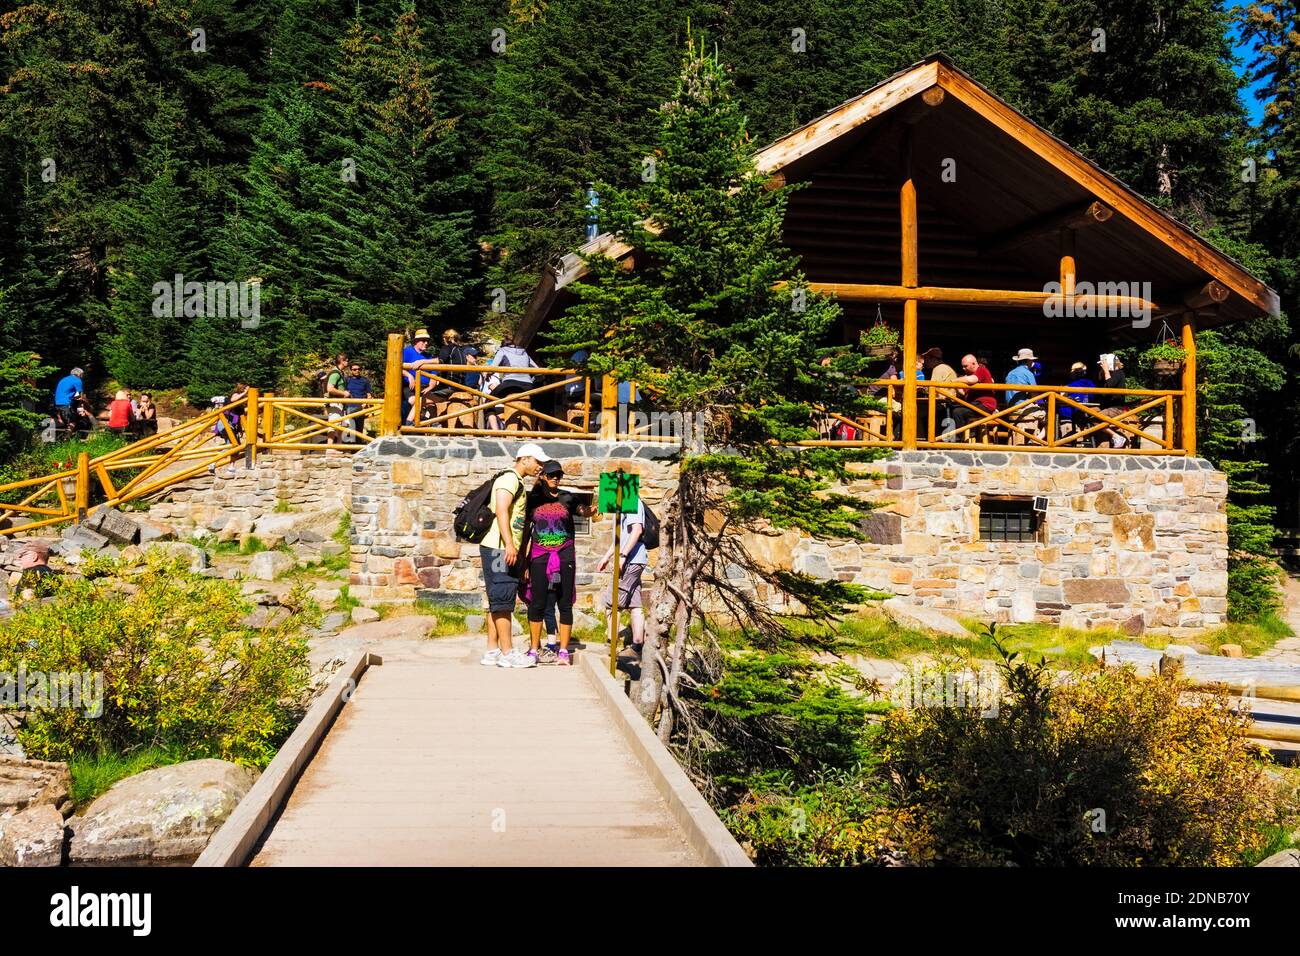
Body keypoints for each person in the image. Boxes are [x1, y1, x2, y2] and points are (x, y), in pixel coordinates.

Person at [479, 442, 549, 669]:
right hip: (499, 548)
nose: (540, 466)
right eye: (537, 461)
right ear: (525, 459)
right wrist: (510, 544)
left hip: (501, 547)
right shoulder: (509, 479)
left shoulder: (515, 481)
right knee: (503, 599)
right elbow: (501, 509)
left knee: (497, 598)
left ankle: (492, 650)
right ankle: (508, 653)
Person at [522, 459, 597, 666]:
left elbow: (583, 510)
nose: (556, 478)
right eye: (552, 474)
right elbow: (525, 532)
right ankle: (534, 650)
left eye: (559, 475)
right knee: (537, 603)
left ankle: (563, 651)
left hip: (564, 556)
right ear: (543, 476)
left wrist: (591, 511)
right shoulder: (533, 500)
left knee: (564, 603)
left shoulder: (567, 497)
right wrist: (522, 561)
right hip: (539, 557)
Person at [597, 496, 647, 656]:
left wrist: (624, 555)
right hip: (633, 560)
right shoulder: (622, 505)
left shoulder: (632, 501)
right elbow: (618, 540)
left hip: (630, 561)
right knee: (635, 602)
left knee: (612, 603)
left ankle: (612, 645)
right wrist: (606, 557)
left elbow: (637, 529)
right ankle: (638, 645)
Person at [485, 335, 539, 430]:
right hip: (528, 385)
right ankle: (534, 431)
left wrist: (488, 374)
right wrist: (532, 379)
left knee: (488, 402)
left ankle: (495, 430)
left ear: (503, 345)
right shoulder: (524, 352)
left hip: (510, 384)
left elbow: (493, 368)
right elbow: (537, 370)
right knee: (535, 405)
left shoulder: (502, 351)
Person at [1005, 347, 1045, 440]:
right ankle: (1036, 440)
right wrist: (1042, 404)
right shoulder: (1028, 373)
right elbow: (1035, 395)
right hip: (1022, 408)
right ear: (1028, 361)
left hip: (1010, 409)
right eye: (1031, 361)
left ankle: (1033, 439)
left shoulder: (1010, 373)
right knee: (1049, 418)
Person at [952, 353, 998, 435]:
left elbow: (972, 380)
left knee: (958, 412)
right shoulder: (970, 375)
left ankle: (960, 440)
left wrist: (956, 380)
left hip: (985, 405)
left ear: (973, 364)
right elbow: (964, 393)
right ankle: (967, 436)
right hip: (976, 404)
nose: (963, 368)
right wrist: (956, 386)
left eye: (965, 366)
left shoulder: (981, 370)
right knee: (953, 408)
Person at [401, 329, 436, 423]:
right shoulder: (407, 352)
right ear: (416, 341)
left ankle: (430, 426)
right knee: (415, 400)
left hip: (425, 387)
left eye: (427, 341)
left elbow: (434, 372)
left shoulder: (429, 356)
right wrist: (409, 376)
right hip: (409, 386)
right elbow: (398, 367)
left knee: (433, 403)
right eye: (423, 341)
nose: (426, 343)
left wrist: (431, 385)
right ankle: (409, 424)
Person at [1097, 354, 1130, 448]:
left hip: (1116, 408)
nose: (1102, 366)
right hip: (1106, 407)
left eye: (1104, 364)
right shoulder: (1107, 375)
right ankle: (1105, 443)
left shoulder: (1118, 373)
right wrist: (1102, 373)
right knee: (1090, 414)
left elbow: (1110, 386)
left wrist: (1106, 371)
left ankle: (1116, 437)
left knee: (1096, 419)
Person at [1060, 361, 1096, 442]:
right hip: (1086, 410)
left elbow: (1061, 397)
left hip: (1071, 412)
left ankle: (1060, 441)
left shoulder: (1069, 385)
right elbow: (1093, 396)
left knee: (1057, 411)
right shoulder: (1090, 383)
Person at [344, 362, 372, 443]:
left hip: (361, 407)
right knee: (350, 428)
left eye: (359, 369)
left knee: (359, 428)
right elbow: (343, 392)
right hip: (349, 406)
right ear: (351, 370)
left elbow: (369, 394)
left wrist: (365, 404)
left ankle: (358, 447)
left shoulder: (365, 380)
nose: (357, 371)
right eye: (354, 369)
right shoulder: (347, 380)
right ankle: (350, 448)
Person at [324, 354, 348, 448]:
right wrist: (344, 393)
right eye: (346, 360)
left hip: (340, 403)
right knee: (334, 424)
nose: (348, 362)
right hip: (334, 402)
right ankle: (330, 448)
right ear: (342, 361)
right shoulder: (335, 373)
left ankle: (338, 446)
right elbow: (330, 388)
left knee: (341, 424)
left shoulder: (341, 373)